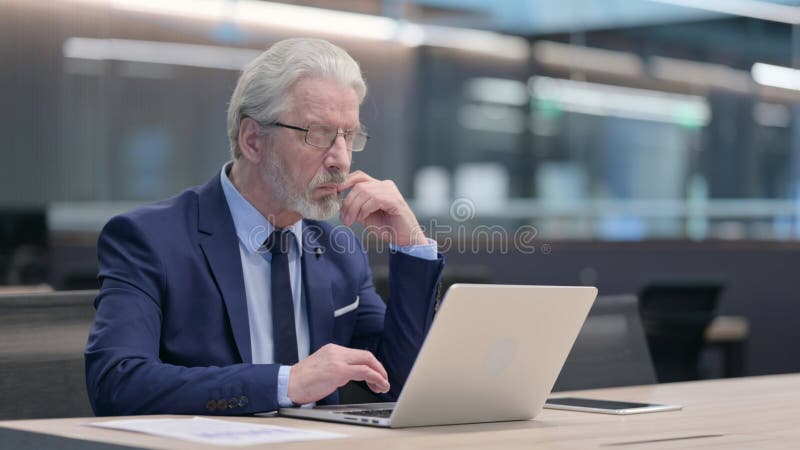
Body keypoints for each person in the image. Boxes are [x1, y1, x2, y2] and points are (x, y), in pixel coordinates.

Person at [84, 38, 444, 416]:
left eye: (349, 136)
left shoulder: (340, 250)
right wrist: (286, 383)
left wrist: (411, 246)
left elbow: (400, 382)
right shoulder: (151, 240)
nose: (340, 159)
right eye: (317, 135)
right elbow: (116, 383)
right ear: (253, 140)